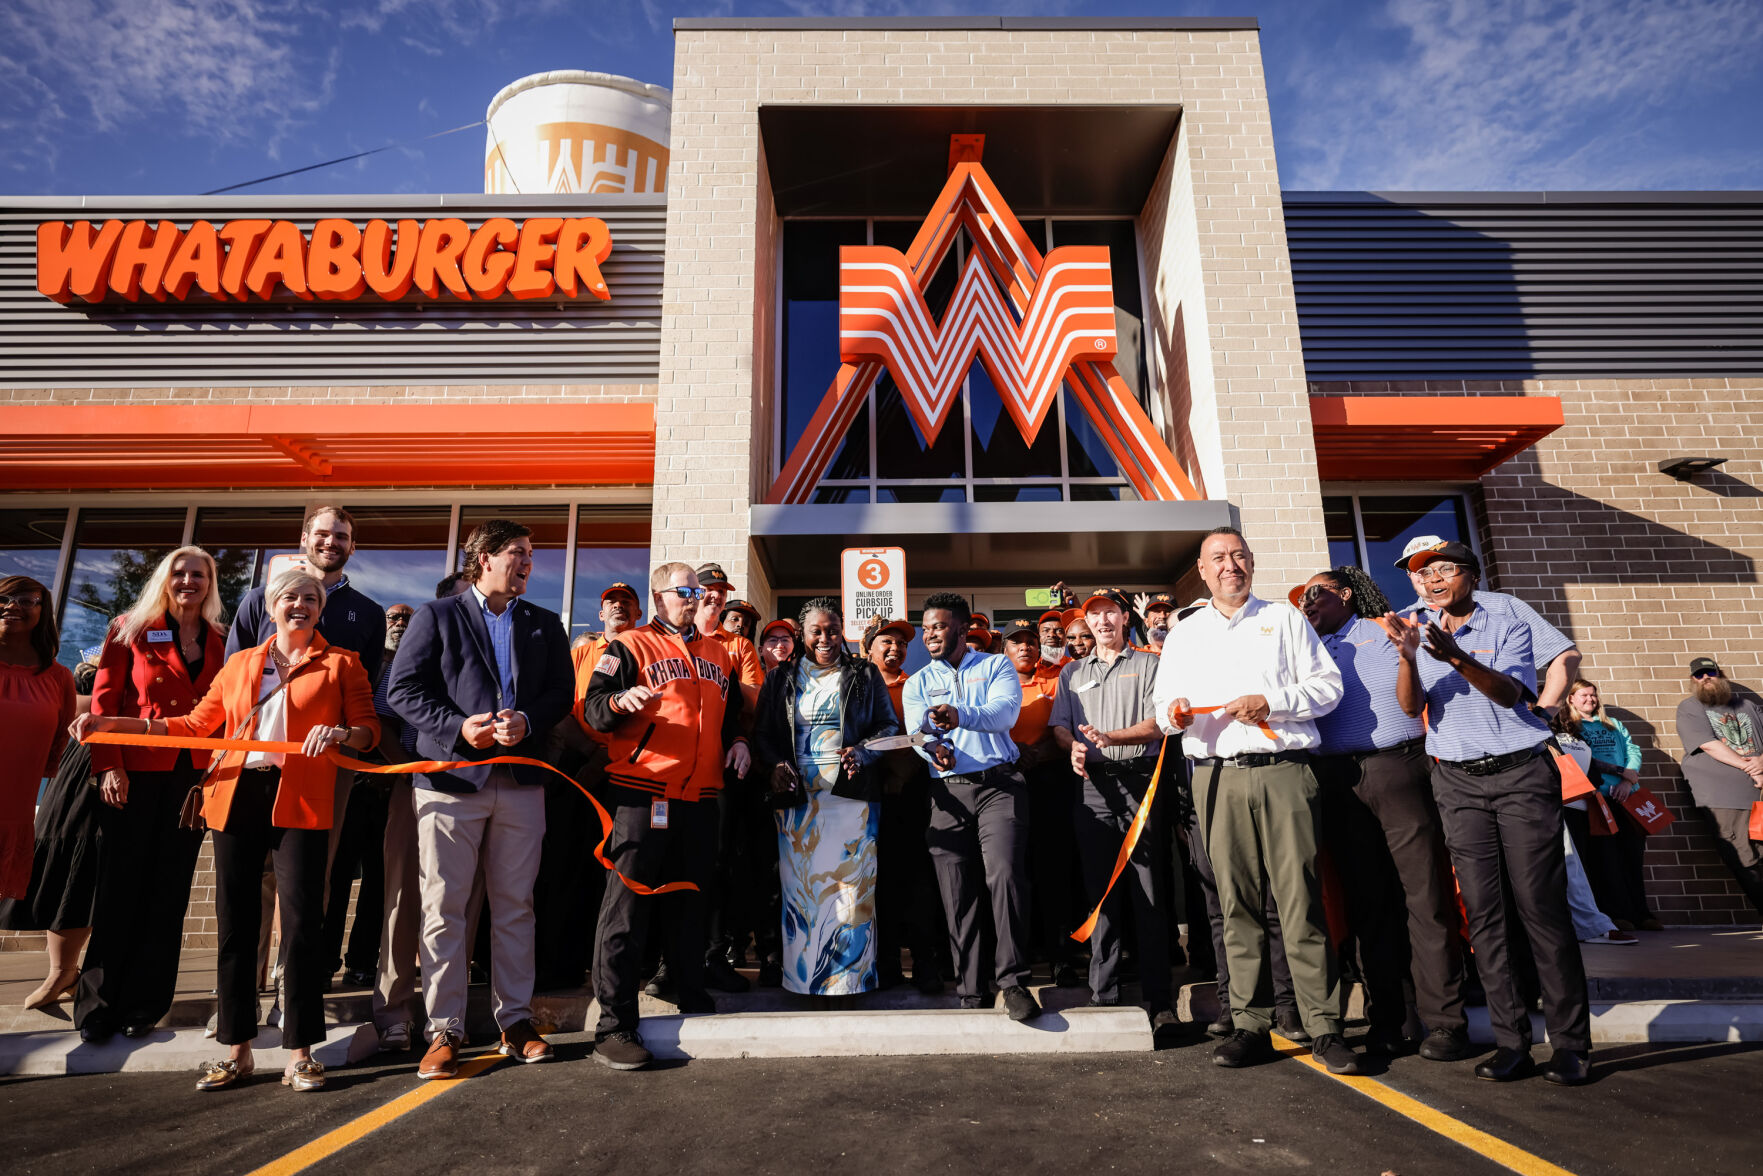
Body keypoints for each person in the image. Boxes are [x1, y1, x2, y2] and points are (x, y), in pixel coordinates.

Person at [76, 568, 379, 1091]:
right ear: (271, 607)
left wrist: (341, 733)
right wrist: (113, 725)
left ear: (320, 610)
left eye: (311, 598)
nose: (300, 605)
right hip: (235, 796)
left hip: (301, 799)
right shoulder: (240, 663)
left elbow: (369, 731)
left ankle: (300, 1052)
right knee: (235, 924)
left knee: (302, 924)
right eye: (290, 597)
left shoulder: (341, 663)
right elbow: (194, 725)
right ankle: (237, 1050)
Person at [1387, 539, 1592, 1085]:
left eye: (1445, 570)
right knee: (1483, 912)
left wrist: (1454, 656)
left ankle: (1571, 1044)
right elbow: (1410, 707)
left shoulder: (1506, 616)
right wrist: (1408, 657)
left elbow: (1507, 693)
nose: (1433, 580)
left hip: (1520, 773)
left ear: (1472, 576)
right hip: (1456, 780)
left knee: (1540, 906)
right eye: (1424, 573)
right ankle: (1511, 1043)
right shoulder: (1415, 627)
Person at [1153, 527, 1358, 1075]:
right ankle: (1250, 1024)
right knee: (1235, 905)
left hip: (1283, 771)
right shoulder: (1185, 634)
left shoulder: (1285, 619)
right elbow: (1161, 708)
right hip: (1215, 777)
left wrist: (1273, 703)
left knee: (1300, 901)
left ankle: (1324, 1026)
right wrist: (1172, 713)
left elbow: (1328, 687)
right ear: (1202, 570)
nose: (1230, 565)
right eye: (1218, 558)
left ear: (1252, 563)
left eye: (1239, 556)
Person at [388, 520, 574, 1079]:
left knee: (516, 907)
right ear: (485, 557)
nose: (528, 563)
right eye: (518, 552)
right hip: (450, 784)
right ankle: (444, 1029)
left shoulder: (544, 624)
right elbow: (403, 690)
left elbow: (561, 693)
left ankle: (515, 1021)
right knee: (444, 908)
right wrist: (457, 728)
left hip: (520, 783)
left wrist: (527, 720)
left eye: (531, 555)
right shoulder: (436, 616)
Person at [581, 561, 751, 1072]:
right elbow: (593, 710)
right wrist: (620, 700)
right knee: (627, 910)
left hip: (700, 796)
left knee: (690, 902)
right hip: (641, 792)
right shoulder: (629, 645)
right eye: (684, 591)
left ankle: (688, 989)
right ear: (658, 597)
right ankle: (614, 1025)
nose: (694, 599)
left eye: (697, 592)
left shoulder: (718, 652)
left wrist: (739, 741)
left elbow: (732, 716)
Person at [1297, 566, 1470, 1061]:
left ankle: (1445, 1022)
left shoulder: (1389, 629)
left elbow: (1419, 696)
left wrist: (1408, 652)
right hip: (1339, 780)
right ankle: (1388, 1020)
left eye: (1316, 593)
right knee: (1366, 904)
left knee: (1424, 896)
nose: (1306, 603)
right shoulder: (1306, 648)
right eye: (1301, 599)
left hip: (1399, 768)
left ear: (1347, 594)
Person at [72, 549, 226, 1041]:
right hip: (134, 773)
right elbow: (104, 700)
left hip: (193, 779)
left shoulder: (221, 638)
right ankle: (97, 1008)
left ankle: (146, 1004)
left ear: (210, 583)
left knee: (169, 891)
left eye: (199, 574)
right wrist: (109, 765)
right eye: (179, 573)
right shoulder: (130, 629)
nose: (188, 581)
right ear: (164, 579)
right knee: (119, 889)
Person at [751, 597, 898, 995]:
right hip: (797, 803)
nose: (825, 639)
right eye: (816, 631)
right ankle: (804, 982)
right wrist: (774, 766)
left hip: (853, 799)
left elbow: (888, 725)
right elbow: (762, 734)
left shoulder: (864, 673)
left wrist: (862, 752)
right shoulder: (780, 678)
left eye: (833, 630)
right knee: (803, 895)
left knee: (852, 893)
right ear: (802, 634)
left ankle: (850, 983)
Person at [904, 592, 1039, 1022]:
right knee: (957, 889)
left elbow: (1004, 714)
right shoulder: (916, 682)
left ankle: (1013, 982)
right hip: (948, 792)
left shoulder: (996, 666)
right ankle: (970, 987)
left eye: (939, 627)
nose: (929, 635)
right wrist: (933, 751)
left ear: (963, 629)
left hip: (999, 786)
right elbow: (917, 734)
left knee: (1005, 876)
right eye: (926, 628)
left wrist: (960, 716)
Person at [1052, 591, 1177, 1033]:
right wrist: (1074, 748)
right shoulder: (1071, 672)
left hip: (1142, 783)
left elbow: (1159, 723)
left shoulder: (1149, 664)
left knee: (1149, 892)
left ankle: (1160, 999)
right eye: (1094, 615)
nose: (1102, 621)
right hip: (1093, 789)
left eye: (1109, 612)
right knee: (1100, 892)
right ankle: (1103, 993)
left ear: (1125, 618)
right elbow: (1060, 726)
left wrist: (1111, 737)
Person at [324, 603, 415, 989]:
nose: (400, 624)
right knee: (337, 873)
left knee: (380, 880)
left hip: (394, 786)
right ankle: (323, 962)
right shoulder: (366, 663)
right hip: (353, 780)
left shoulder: (414, 664)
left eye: (407, 618)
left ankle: (362, 962)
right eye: (394, 618)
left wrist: (401, 773)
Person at [2, 659, 100, 1010]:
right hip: (82, 765)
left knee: (92, 868)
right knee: (66, 858)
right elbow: (72, 709)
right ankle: (61, 972)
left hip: (133, 764)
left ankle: (68, 974)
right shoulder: (90, 668)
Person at [1396, 536, 1581, 715]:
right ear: (1410, 575)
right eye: (1420, 569)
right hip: (1438, 735)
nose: (1432, 576)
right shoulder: (1401, 621)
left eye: (1443, 567)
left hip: (1508, 731)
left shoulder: (1502, 605)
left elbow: (1566, 655)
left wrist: (1544, 714)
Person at [0, 577, 78, 990]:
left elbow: (58, 748)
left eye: (25, 600)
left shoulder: (59, 678)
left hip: (12, 814)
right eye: (3, 597)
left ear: (42, 612)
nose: (11, 605)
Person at [693, 562, 765, 994]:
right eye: (708, 589)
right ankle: (670, 960)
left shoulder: (735, 647)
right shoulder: (668, 640)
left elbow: (750, 700)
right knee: (674, 863)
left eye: (721, 592)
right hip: (670, 771)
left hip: (721, 767)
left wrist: (734, 731)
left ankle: (713, 956)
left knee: (718, 863)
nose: (715, 597)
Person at [1001, 619, 1081, 988]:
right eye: (1016, 642)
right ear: (1004, 649)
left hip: (1050, 782)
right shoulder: (992, 681)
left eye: (1031, 641)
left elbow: (1064, 726)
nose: (1025, 647)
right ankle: (1021, 954)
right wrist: (1014, 752)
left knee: (1054, 872)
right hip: (1006, 783)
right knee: (1013, 871)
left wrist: (1037, 752)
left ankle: (1060, 957)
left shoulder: (1055, 679)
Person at [865, 616, 942, 993]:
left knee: (917, 881)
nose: (895, 648)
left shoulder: (916, 686)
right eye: (886, 642)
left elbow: (925, 736)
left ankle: (925, 963)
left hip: (911, 794)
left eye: (901, 643)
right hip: (868, 796)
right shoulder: (857, 686)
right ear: (867, 649)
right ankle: (886, 963)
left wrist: (903, 773)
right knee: (878, 882)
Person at [1559, 678, 1658, 931]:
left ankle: (1641, 913)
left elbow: (1632, 750)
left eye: (1592, 695)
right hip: (1598, 799)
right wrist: (1618, 773)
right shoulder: (1571, 727)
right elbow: (1583, 760)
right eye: (1583, 695)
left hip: (1627, 797)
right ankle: (1617, 914)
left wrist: (1627, 779)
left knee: (1632, 856)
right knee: (1606, 859)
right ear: (1571, 699)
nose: (1590, 699)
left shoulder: (1613, 723)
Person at [1674, 658, 1763, 917]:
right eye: (1699, 675)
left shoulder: (1748, 706)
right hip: (1722, 797)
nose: (1705, 678)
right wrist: (1752, 768)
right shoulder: (1690, 707)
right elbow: (1708, 744)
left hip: (1757, 795)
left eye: (1710, 672)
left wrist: (1761, 762)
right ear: (1693, 680)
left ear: (1720, 674)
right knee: (1742, 856)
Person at [1550, 712, 1638, 946]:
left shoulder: (1570, 735)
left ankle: (1591, 925)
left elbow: (1591, 769)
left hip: (1580, 805)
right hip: (1548, 803)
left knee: (1576, 864)